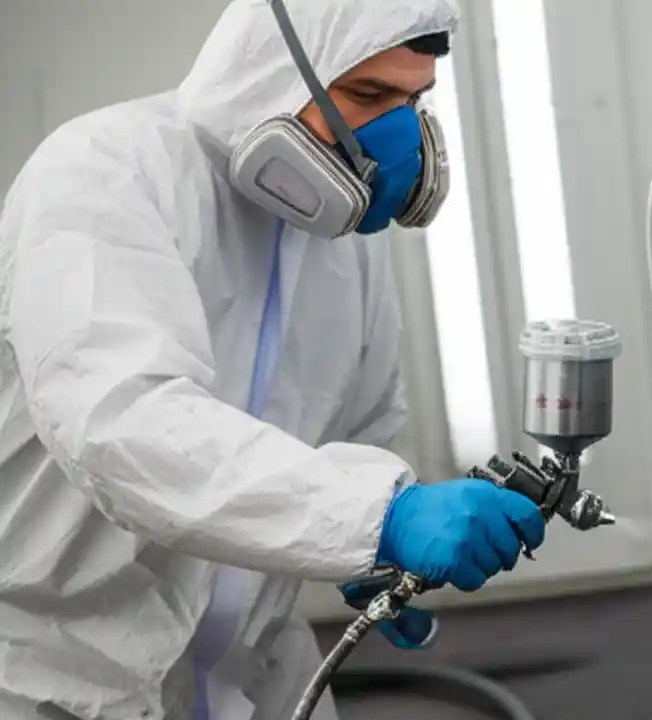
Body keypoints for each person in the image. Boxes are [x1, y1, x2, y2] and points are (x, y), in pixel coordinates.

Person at [0, 1, 545, 718]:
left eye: (416, 100)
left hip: (252, 667)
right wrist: (378, 517)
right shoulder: (105, 172)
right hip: (57, 674)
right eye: (371, 97)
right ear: (271, 78)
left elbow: (363, 425)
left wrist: (372, 550)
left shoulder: (347, 244)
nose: (401, 135)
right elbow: (122, 426)